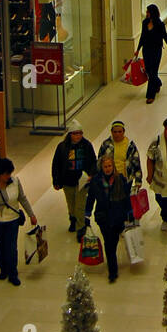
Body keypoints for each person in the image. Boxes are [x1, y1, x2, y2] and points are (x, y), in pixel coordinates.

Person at [0, 156, 37, 286]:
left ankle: (13, 273)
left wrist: (31, 214)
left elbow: (23, 198)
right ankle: (3, 269)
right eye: (6, 174)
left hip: (12, 220)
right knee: (0, 246)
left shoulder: (15, 182)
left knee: (11, 247)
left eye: (10, 173)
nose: (8, 176)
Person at [84, 153, 132, 282]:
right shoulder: (96, 181)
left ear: (113, 166)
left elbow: (126, 198)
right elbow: (91, 198)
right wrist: (87, 214)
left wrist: (130, 213)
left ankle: (112, 260)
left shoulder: (120, 180)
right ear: (102, 167)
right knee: (109, 242)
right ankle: (113, 271)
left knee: (113, 241)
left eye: (110, 166)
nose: (108, 169)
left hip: (118, 216)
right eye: (105, 166)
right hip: (103, 217)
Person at [51, 120, 97, 235]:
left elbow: (93, 161)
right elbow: (56, 164)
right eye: (75, 133)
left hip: (82, 180)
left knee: (80, 206)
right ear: (70, 134)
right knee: (71, 204)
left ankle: (81, 227)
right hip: (67, 180)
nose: (78, 136)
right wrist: (56, 180)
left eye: (80, 133)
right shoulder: (62, 147)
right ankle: (73, 220)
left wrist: (91, 174)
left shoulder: (87, 145)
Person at [135, 3, 167, 104]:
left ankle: (150, 95)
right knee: (148, 70)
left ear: (152, 13)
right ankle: (158, 83)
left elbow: (165, 36)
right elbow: (142, 37)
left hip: (156, 50)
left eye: (148, 12)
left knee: (153, 71)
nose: (147, 13)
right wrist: (138, 49)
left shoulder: (160, 24)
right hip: (146, 50)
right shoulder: (145, 23)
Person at [98, 120, 143, 189]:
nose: (117, 134)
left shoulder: (130, 145)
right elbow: (99, 162)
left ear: (123, 132)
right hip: (109, 180)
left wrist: (138, 180)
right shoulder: (106, 144)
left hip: (126, 180)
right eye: (115, 132)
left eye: (119, 132)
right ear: (111, 132)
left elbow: (136, 163)